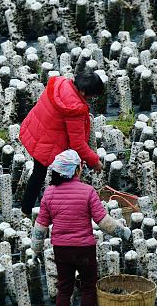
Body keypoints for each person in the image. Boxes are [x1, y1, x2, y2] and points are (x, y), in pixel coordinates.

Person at [31, 149, 130, 306]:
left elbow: (40, 227)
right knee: (88, 287)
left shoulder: (50, 193)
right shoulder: (87, 191)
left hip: (62, 249)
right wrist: (123, 232)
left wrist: (35, 250)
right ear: (77, 170)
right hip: (85, 248)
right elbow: (103, 222)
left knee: (64, 289)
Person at [19, 70, 105, 215]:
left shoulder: (60, 83)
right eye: (93, 95)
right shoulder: (75, 108)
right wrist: (94, 161)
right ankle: (56, 212)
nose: (93, 99)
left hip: (37, 131)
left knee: (38, 173)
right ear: (83, 92)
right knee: (60, 178)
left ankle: (26, 209)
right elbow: (77, 144)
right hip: (49, 144)